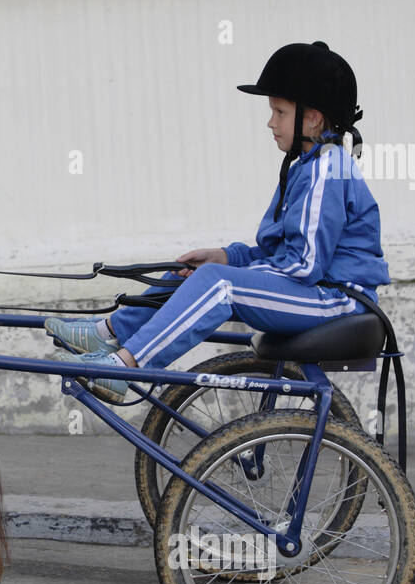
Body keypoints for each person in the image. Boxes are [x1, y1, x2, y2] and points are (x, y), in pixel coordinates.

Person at [46, 40, 389, 403]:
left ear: (314, 117)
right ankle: (108, 331)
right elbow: (276, 253)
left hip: (338, 301)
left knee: (217, 285)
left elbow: (302, 267)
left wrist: (224, 275)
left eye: (280, 111)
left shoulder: (327, 169)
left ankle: (125, 365)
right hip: (317, 292)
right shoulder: (305, 167)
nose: (270, 122)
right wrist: (225, 257)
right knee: (188, 271)